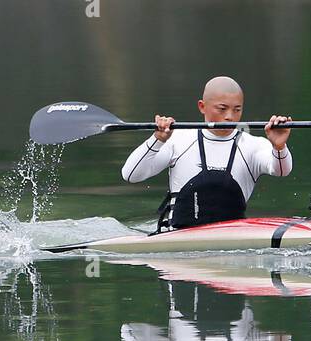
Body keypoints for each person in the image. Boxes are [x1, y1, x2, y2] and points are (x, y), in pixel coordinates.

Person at [121, 76, 293, 231]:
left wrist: (279, 146)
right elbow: (130, 175)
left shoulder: (254, 145)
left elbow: (282, 171)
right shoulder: (177, 140)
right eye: (222, 109)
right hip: (179, 236)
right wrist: (157, 139)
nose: (230, 117)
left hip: (233, 239)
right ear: (202, 107)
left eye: (237, 109)